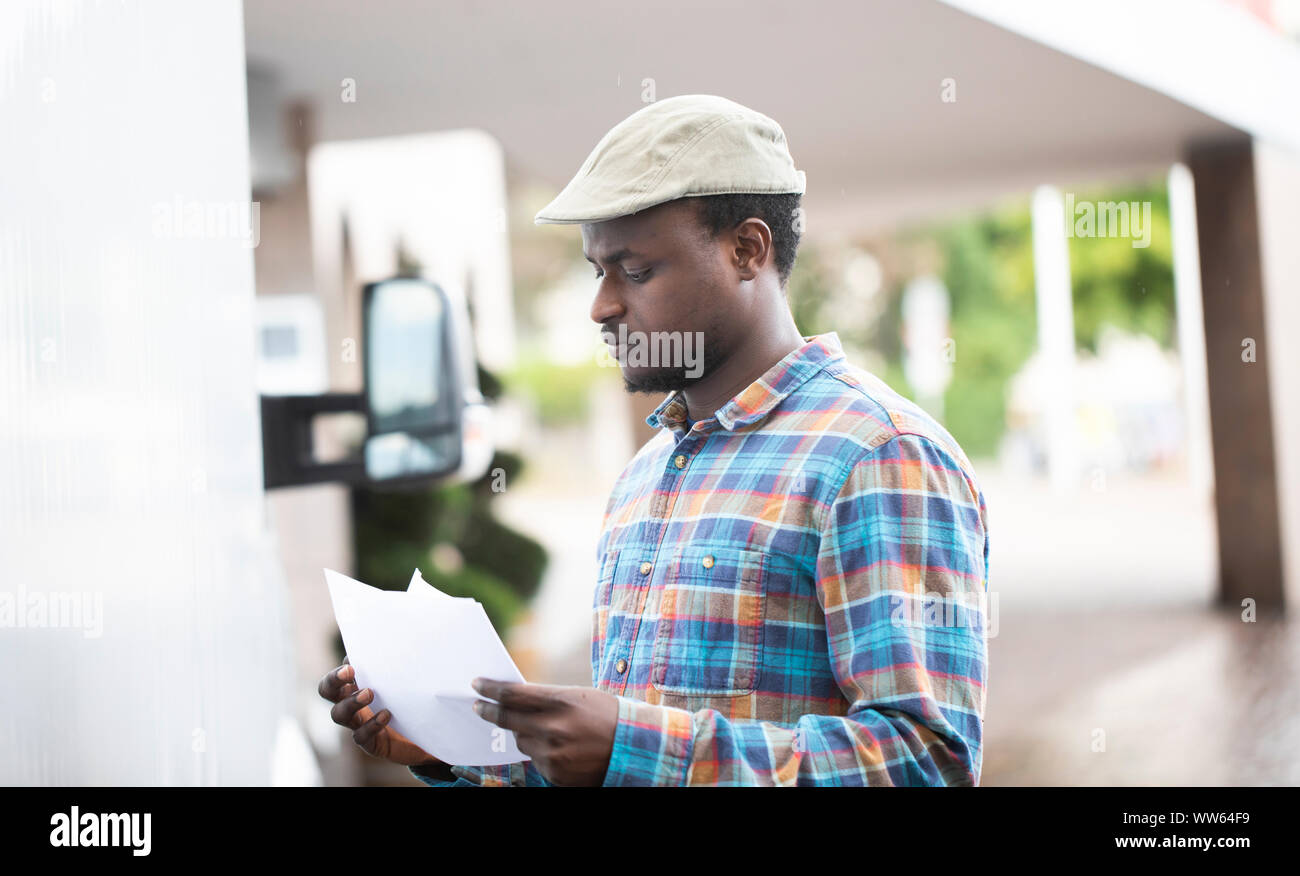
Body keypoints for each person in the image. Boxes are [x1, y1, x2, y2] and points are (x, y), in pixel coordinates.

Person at [318, 94, 990, 786]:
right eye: (597, 271)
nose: (602, 305)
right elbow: (618, 765)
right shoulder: (646, 474)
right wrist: (447, 749)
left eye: (635, 271)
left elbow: (927, 761)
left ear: (747, 250)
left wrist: (632, 745)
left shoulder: (877, 456)